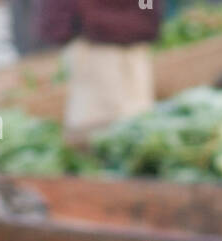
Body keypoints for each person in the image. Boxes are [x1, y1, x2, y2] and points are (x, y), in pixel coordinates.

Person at [37, 0, 162, 138]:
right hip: (95, 47)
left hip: (129, 44)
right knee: (99, 129)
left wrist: (145, 16)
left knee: (136, 125)